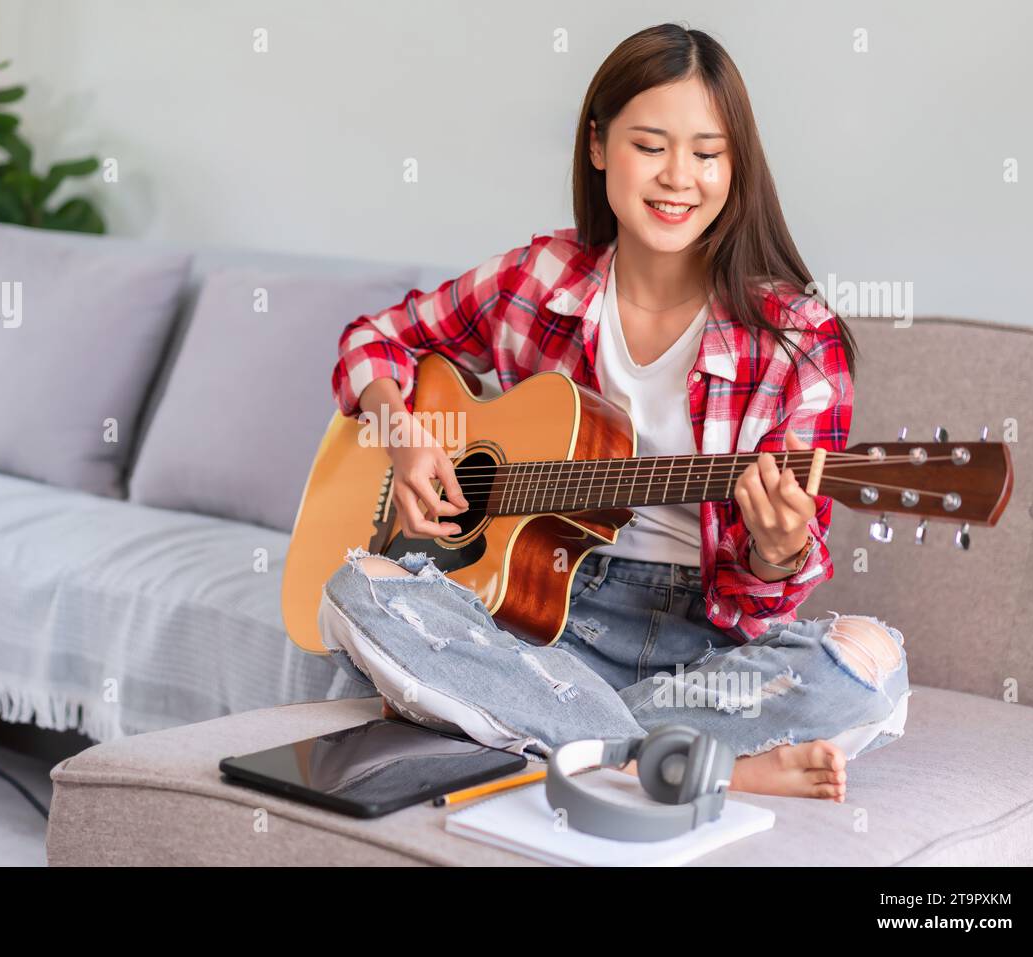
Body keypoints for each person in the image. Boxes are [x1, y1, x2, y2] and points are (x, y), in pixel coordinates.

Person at [318, 23, 909, 803]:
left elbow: (766, 604)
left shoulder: (800, 339)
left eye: (707, 152)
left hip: (699, 649)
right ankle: (691, 764)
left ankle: (554, 734)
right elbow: (374, 342)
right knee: (357, 587)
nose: (679, 177)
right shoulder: (539, 279)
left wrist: (778, 549)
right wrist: (402, 437)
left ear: (736, 165)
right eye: (650, 144)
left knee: (868, 663)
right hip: (531, 629)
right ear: (598, 146)